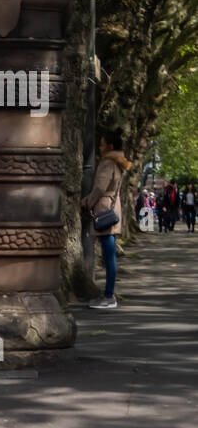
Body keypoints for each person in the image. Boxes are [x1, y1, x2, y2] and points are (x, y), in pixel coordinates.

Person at [81, 128, 130, 309]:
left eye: (101, 144)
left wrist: (87, 202)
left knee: (109, 254)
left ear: (109, 146)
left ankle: (109, 296)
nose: (99, 148)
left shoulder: (108, 163)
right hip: (112, 206)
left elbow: (100, 187)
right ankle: (108, 294)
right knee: (109, 253)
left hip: (103, 207)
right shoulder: (119, 162)